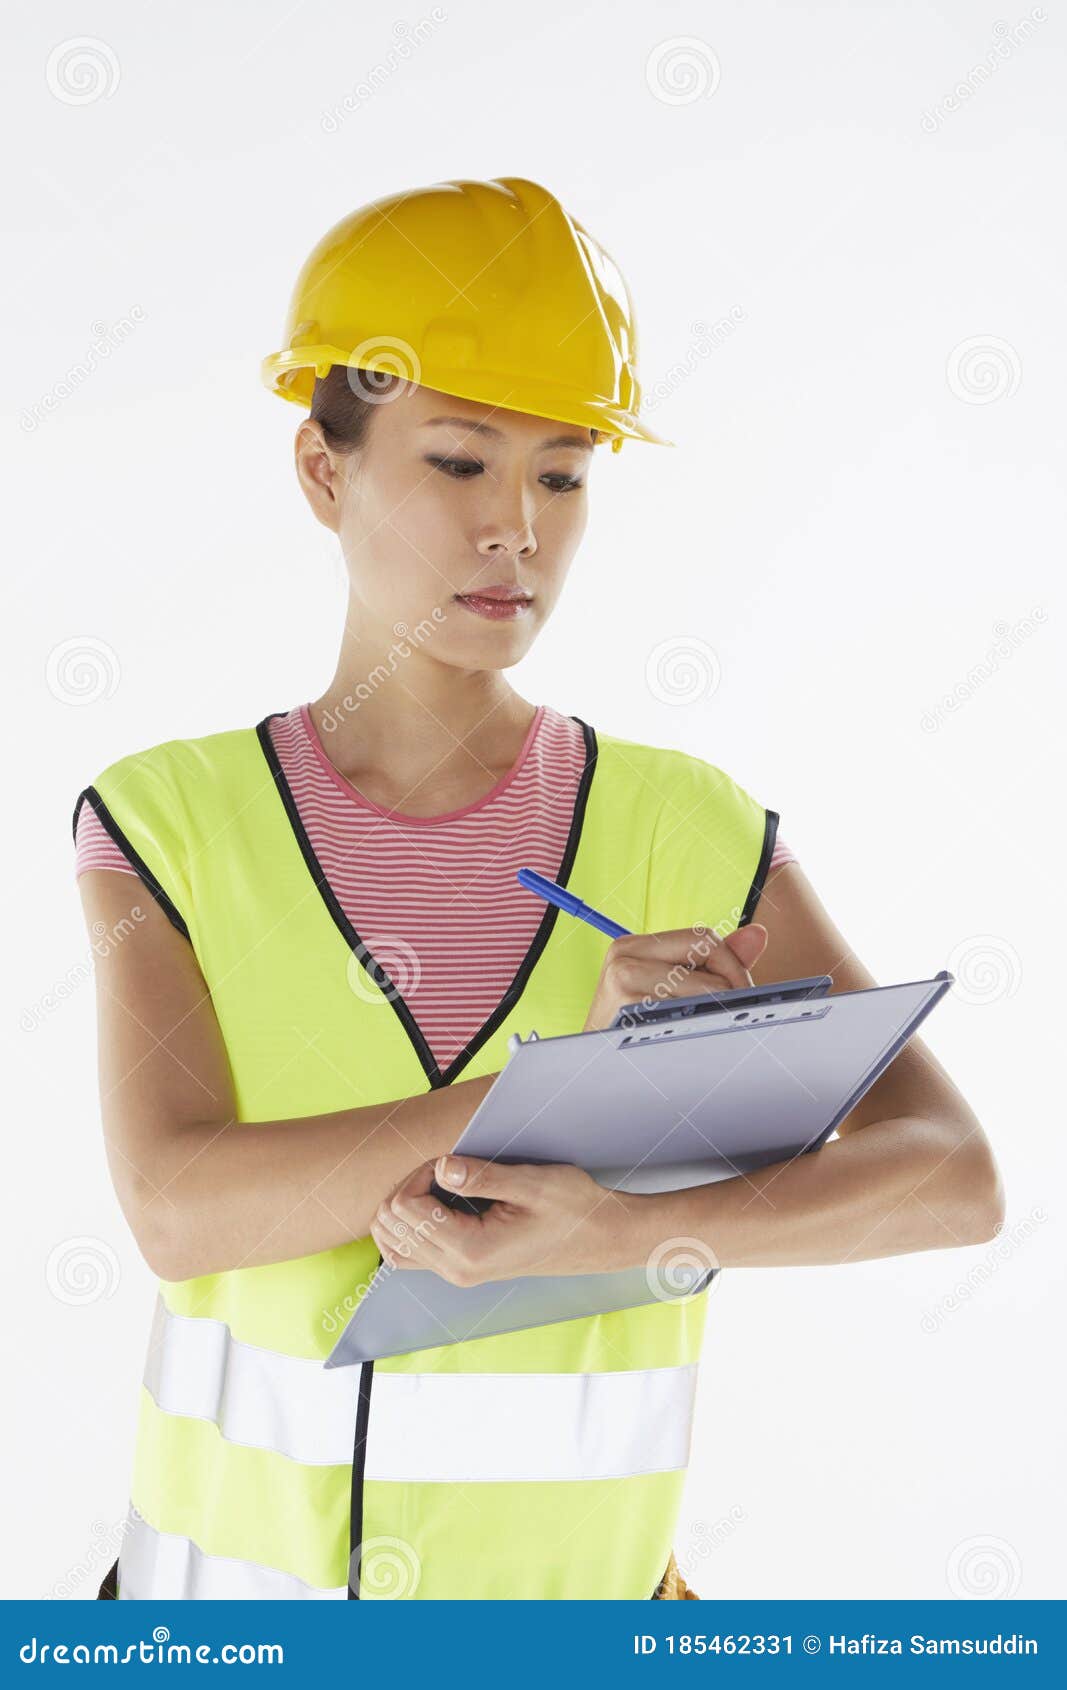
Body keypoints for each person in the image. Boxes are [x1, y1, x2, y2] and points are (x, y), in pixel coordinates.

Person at [74, 176, 1004, 1602]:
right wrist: (567, 1090)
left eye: (563, 474)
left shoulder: (690, 829)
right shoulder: (165, 821)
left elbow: (950, 1177)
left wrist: (635, 1222)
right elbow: (177, 1208)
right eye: (459, 462)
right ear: (325, 472)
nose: (517, 527)